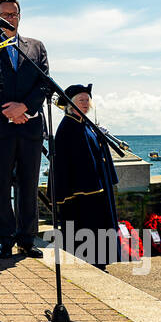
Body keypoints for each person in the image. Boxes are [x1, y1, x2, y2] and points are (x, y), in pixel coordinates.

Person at [0, 0, 49, 259]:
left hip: (31, 128)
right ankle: (5, 240)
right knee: (0, 187)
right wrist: (9, 111)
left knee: (28, 185)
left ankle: (27, 239)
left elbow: (44, 83)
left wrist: (24, 108)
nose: (9, 19)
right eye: (4, 14)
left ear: (20, 17)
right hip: (0, 129)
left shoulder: (36, 47)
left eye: (13, 14)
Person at [50, 85, 122, 268]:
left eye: (87, 100)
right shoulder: (68, 126)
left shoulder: (84, 124)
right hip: (81, 191)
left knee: (98, 226)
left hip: (94, 187)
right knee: (86, 227)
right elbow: (67, 162)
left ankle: (99, 261)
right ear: (70, 104)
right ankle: (90, 261)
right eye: (80, 100)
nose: (85, 103)